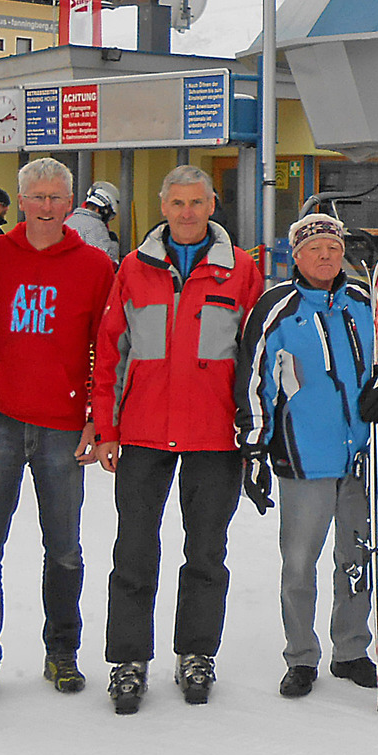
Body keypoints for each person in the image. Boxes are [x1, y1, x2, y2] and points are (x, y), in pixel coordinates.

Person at [91, 165, 264, 715]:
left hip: (215, 436)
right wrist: (106, 428)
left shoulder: (240, 271)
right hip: (142, 433)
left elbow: (255, 357)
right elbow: (111, 352)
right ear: (163, 207)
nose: (187, 213)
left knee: (207, 553)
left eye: (197, 202)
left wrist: (253, 430)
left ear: (213, 205)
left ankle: (196, 654)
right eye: (177, 203)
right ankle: (127, 659)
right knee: (134, 552)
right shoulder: (133, 269)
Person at [0, 157, 118, 703]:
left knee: (65, 549)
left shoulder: (95, 265)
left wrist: (99, 416)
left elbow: (107, 348)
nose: (47, 206)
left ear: (70, 203)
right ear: (21, 202)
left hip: (62, 427)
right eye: (38, 197)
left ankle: (62, 652)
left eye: (56, 197)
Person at [237, 213, 378, 699]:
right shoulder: (276, 309)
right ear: (296, 255)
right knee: (299, 562)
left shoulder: (364, 300)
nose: (326, 256)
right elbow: (254, 381)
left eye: (333, 246)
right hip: (305, 454)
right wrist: (255, 449)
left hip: (362, 453)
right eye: (315, 248)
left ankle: (351, 649)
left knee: (359, 558)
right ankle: (301, 656)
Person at [68, 181, 122, 262]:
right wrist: (114, 244)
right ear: (102, 209)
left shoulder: (69, 220)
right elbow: (105, 260)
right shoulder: (96, 226)